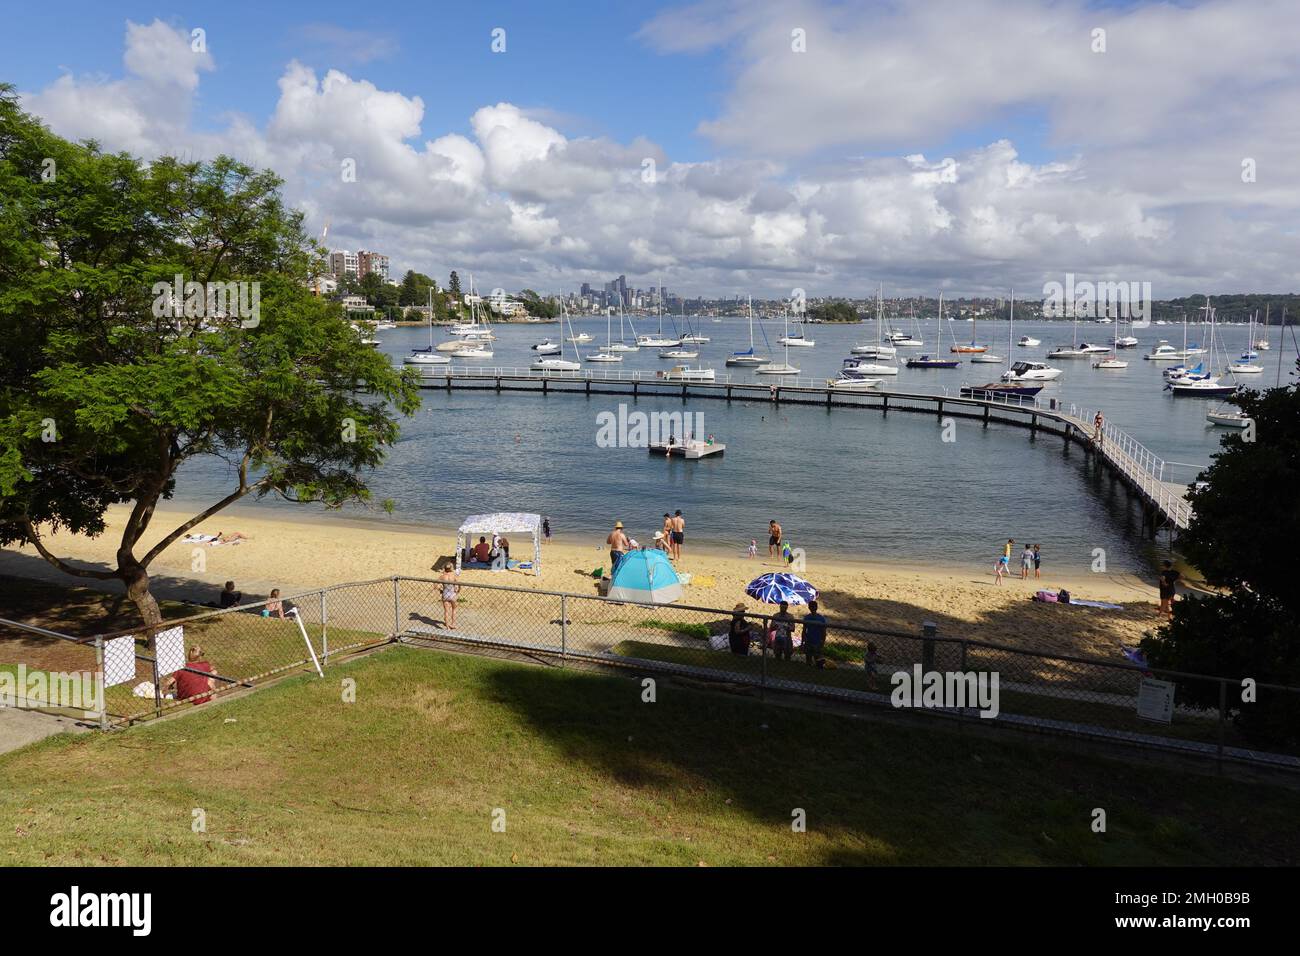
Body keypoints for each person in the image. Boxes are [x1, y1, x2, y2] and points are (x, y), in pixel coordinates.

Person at [801, 600, 827, 668]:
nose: (812, 609)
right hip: (809, 640)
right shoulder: (807, 617)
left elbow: (823, 632)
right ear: (809, 608)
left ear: (816, 608)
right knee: (808, 657)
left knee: (817, 658)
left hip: (817, 640)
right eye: (811, 607)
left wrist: (822, 641)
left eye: (813, 607)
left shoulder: (821, 619)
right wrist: (803, 641)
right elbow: (804, 630)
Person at [439, 564, 459, 629]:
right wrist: (458, 591)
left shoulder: (442, 576)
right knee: (454, 609)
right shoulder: (454, 575)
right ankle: (453, 624)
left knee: (446, 611)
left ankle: (447, 626)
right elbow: (458, 584)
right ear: (451, 568)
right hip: (452, 593)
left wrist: (440, 589)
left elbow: (435, 585)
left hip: (445, 593)